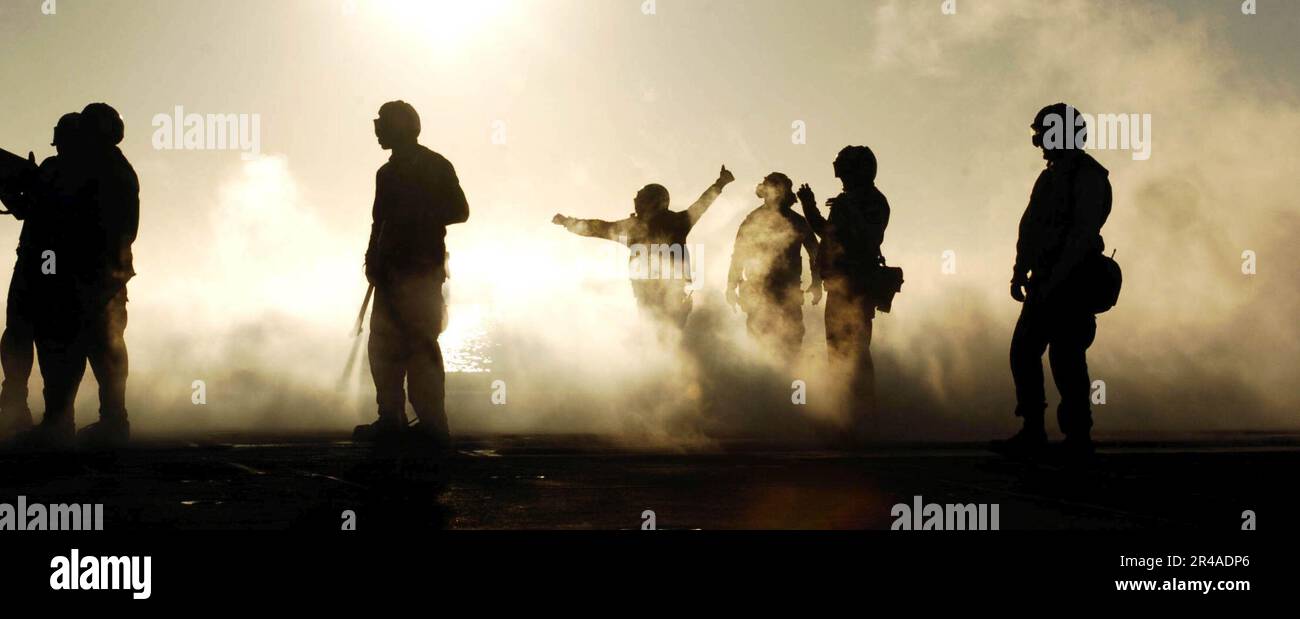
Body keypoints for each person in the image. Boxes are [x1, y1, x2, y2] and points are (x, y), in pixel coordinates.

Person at [993, 103, 1112, 459]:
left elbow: (1082, 232)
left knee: (1066, 358)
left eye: (1043, 133)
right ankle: (1033, 430)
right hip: (1045, 281)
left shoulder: (1088, 177)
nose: (1038, 142)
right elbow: (1030, 227)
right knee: (1024, 352)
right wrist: (1020, 270)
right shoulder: (1052, 176)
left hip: (1071, 283)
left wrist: (1058, 278)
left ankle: (1077, 435)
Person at [354, 101, 469, 450]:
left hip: (421, 271)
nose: (376, 129)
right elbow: (379, 222)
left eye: (382, 123)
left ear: (401, 127)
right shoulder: (385, 174)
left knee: (421, 347)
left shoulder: (435, 165)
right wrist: (371, 257)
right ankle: (391, 419)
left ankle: (433, 426)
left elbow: (459, 211)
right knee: (382, 347)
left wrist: (416, 213)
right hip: (389, 273)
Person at [552, 166, 735, 329]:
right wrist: (720, 183)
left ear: (652, 202)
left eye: (641, 200)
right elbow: (598, 227)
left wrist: (568, 222)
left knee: (667, 341)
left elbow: (598, 228)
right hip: (653, 298)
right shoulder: (645, 226)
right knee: (660, 342)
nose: (636, 203)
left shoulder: (665, 224)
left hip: (667, 297)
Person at [797, 146, 891, 440]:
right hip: (839, 286)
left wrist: (847, 210)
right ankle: (846, 418)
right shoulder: (848, 201)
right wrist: (809, 206)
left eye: (845, 170)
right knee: (838, 352)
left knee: (856, 352)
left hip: (857, 285)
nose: (840, 176)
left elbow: (869, 238)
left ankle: (863, 420)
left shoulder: (873, 202)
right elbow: (827, 234)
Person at [0, 113, 80, 440]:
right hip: (46, 264)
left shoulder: (60, 171)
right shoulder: (66, 170)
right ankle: (43, 415)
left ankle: (36, 413)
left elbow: (29, 209)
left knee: (31, 335)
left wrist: (9, 189)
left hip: (43, 265)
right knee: (33, 335)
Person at [725, 172, 820, 358]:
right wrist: (731, 285)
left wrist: (817, 282)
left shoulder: (797, 221)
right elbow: (739, 255)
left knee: (790, 346)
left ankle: (781, 382)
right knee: (759, 347)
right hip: (758, 294)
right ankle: (766, 382)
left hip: (787, 294)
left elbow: (815, 252)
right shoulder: (753, 220)